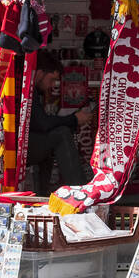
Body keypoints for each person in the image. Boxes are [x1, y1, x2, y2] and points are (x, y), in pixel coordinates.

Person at [28, 51, 93, 195]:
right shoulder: (28, 90)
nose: (52, 85)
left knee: (54, 136)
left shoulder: (34, 91)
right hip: (16, 149)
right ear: (39, 73)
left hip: (24, 145)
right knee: (61, 134)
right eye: (51, 80)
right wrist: (74, 119)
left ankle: (43, 194)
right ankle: (79, 192)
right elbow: (42, 124)